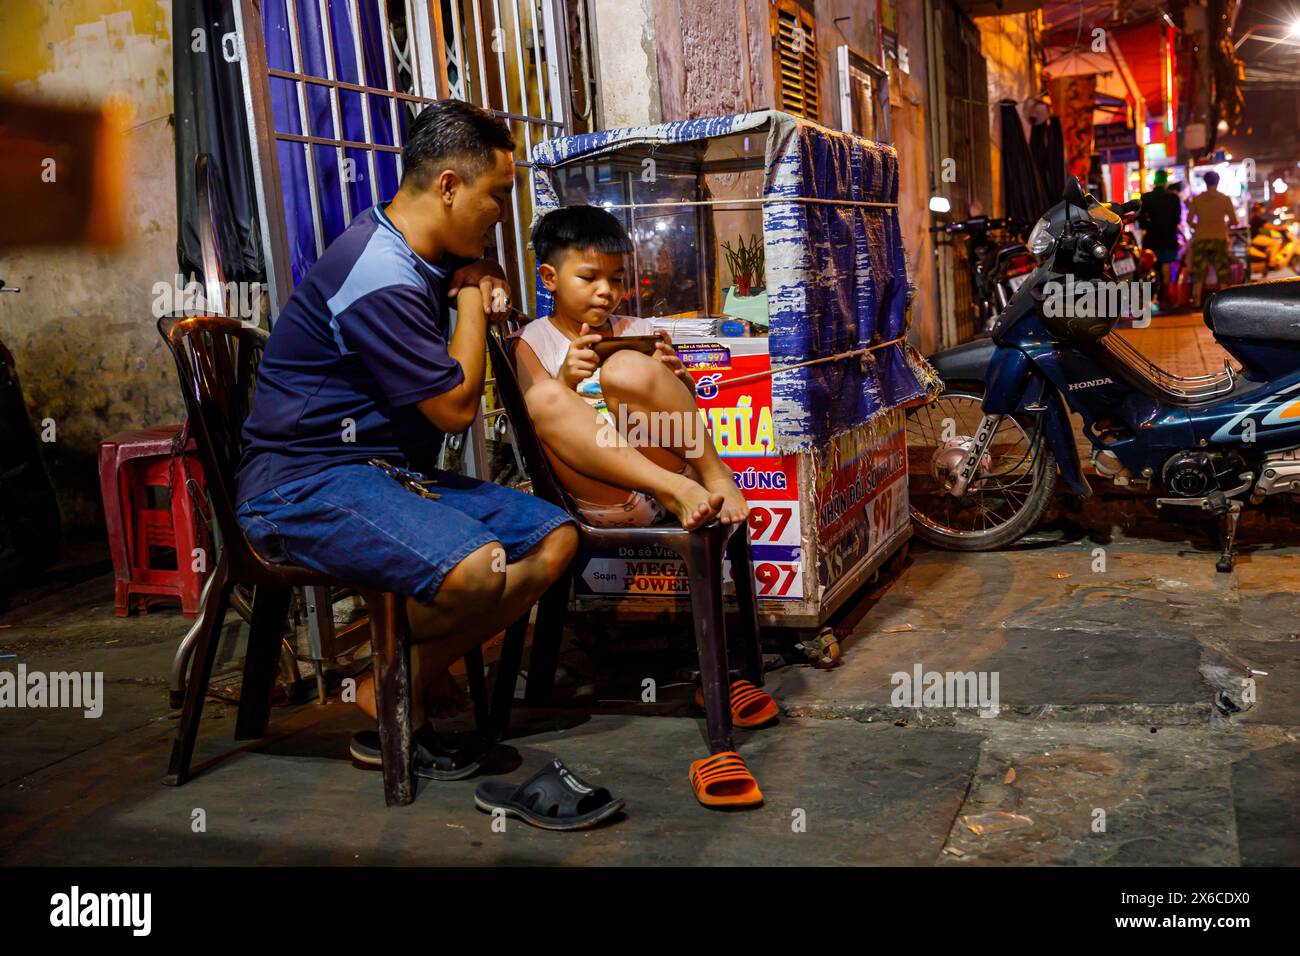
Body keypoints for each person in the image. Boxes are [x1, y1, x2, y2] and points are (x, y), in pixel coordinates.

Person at [234, 100, 578, 773]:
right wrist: (475, 295)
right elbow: (454, 409)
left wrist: (475, 275)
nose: (503, 214)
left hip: (380, 474)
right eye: (497, 196)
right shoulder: (377, 271)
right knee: (480, 568)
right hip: (300, 482)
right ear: (449, 186)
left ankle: (393, 680)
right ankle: (393, 680)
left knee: (553, 538)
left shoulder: (421, 257)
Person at [514, 205, 750, 531]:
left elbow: (684, 408)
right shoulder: (532, 341)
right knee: (544, 397)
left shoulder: (637, 329)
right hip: (604, 495)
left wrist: (679, 379)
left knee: (625, 368)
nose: (605, 291)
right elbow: (535, 435)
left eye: (616, 279)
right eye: (588, 277)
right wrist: (565, 380)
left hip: (681, 478)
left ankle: (714, 472)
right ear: (549, 278)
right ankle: (671, 488)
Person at [1186, 170, 1238, 304]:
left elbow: (1189, 220)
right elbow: (1234, 220)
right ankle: (1224, 302)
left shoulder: (1197, 199)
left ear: (1205, 182)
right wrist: (1224, 225)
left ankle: (1196, 300)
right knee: (1222, 271)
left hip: (1201, 238)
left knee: (1199, 270)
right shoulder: (1225, 199)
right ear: (1218, 182)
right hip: (1220, 237)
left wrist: (1197, 227)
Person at [1138, 169, 1182, 299]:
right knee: (1166, 267)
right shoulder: (1173, 198)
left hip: (1151, 238)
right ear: (1166, 182)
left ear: (1155, 181)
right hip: (1168, 237)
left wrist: (1147, 227)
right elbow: (1177, 219)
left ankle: (1152, 297)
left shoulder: (1146, 197)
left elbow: (1141, 219)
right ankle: (1164, 297)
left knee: (1151, 267)